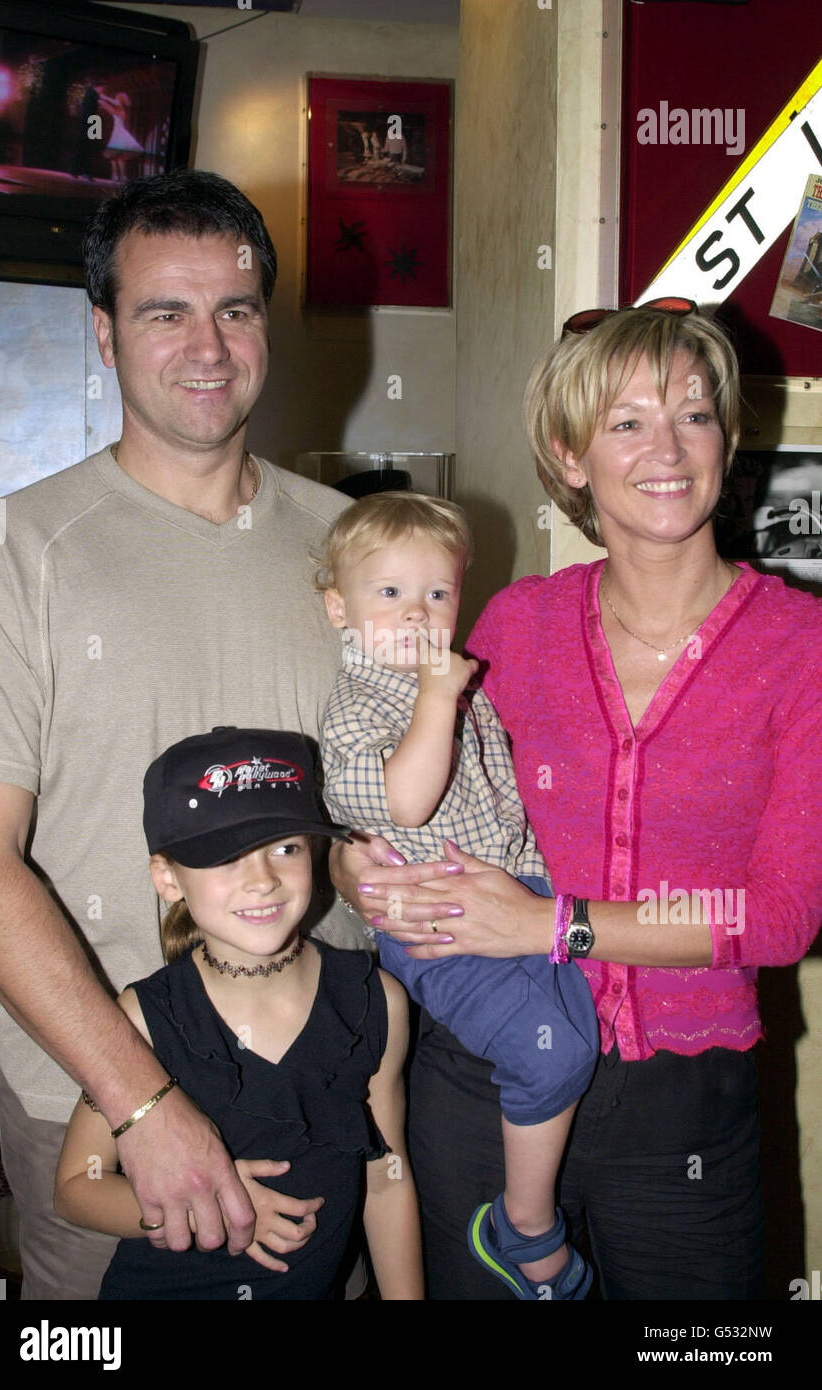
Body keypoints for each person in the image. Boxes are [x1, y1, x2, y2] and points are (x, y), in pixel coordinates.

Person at [330, 301, 822, 1299]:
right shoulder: (516, 626)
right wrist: (350, 858)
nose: (668, 448)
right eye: (626, 421)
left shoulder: (798, 646)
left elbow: (775, 917)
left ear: (728, 437)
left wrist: (556, 925)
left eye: (694, 413)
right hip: (478, 1075)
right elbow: (402, 774)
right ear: (568, 455)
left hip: (683, 1108)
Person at [0, 169, 362, 1299]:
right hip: (104, 1106)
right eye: (164, 311)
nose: (208, 344)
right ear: (104, 332)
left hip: (321, 1074)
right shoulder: (11, 551)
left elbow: (393, 801)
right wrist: (146, 1101)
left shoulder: (351, 544)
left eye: (236, 309)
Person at [318, 493, 598, 1299]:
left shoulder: (450, 687)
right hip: (435, 921)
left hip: (512, 894)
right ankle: (524, 1225)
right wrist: (440, 697)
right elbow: (405, 801)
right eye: (390, 593)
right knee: (554, 1051)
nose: (417, 613)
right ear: (340, 608)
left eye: (437, 594)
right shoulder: (362, 704)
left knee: (579, 1023)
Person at [55, 727, 421, 1300]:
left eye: (285, 847)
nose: (262, 880)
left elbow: (387, 1182)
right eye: (226, 857)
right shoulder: (143, 1019)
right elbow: (78, 1186)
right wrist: (209, 1205)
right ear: (168, 879)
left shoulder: (376, 1002)